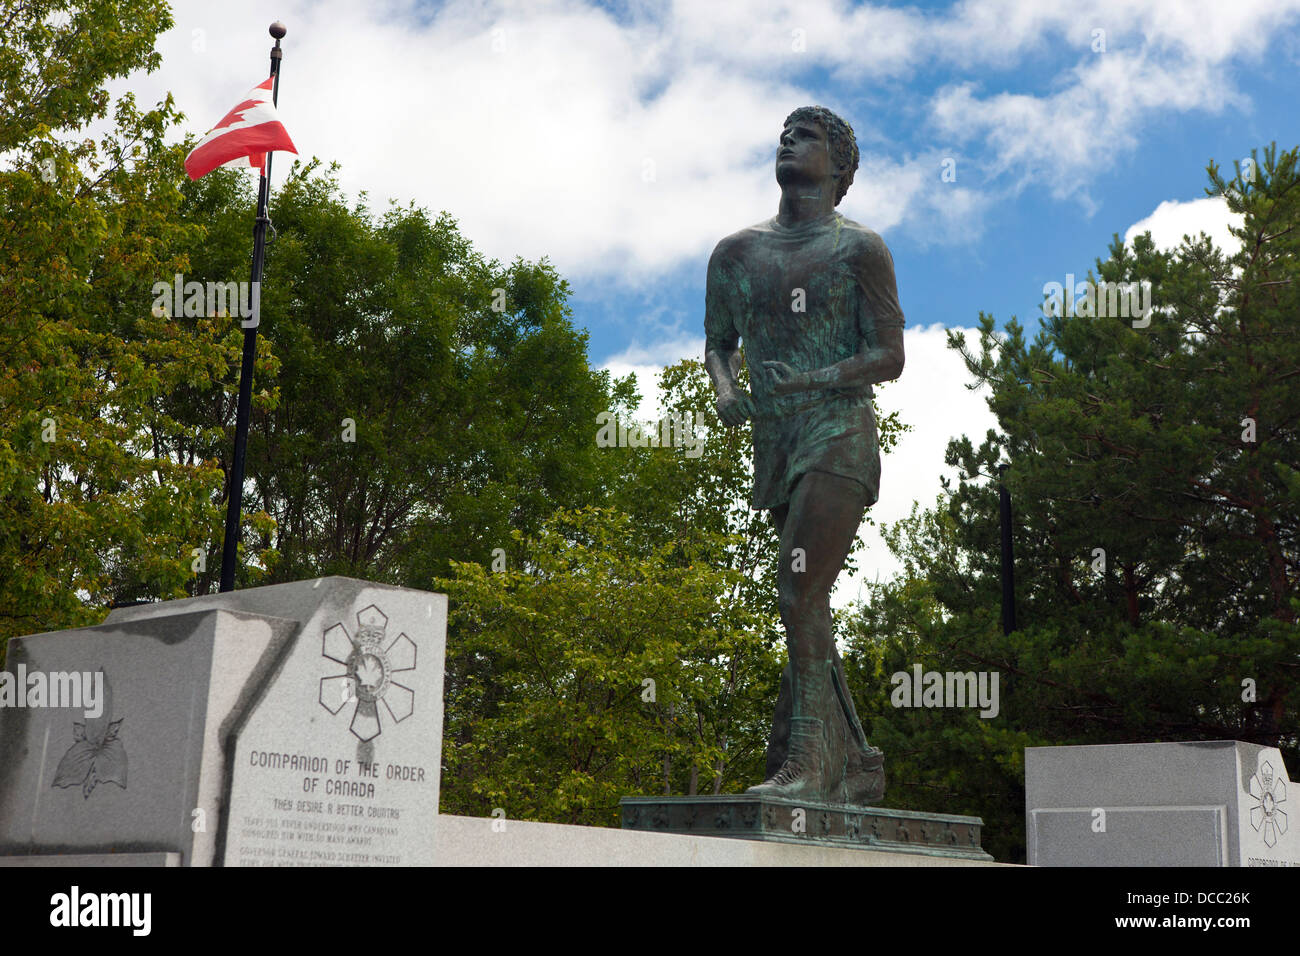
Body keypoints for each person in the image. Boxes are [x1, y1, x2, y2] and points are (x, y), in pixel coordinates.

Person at [703, 105, 905, 804]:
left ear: (841, 167)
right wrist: (727, 390)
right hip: (777, 443)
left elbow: (890, 356)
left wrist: (817, 378)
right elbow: (718, 346)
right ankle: (852, 765)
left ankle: (807, 767)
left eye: (809, 136)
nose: (790, 141)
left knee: (798, 589)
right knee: (806, 600)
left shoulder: (861, 250)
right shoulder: (736, 253)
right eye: (786, 133)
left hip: (839, 435)